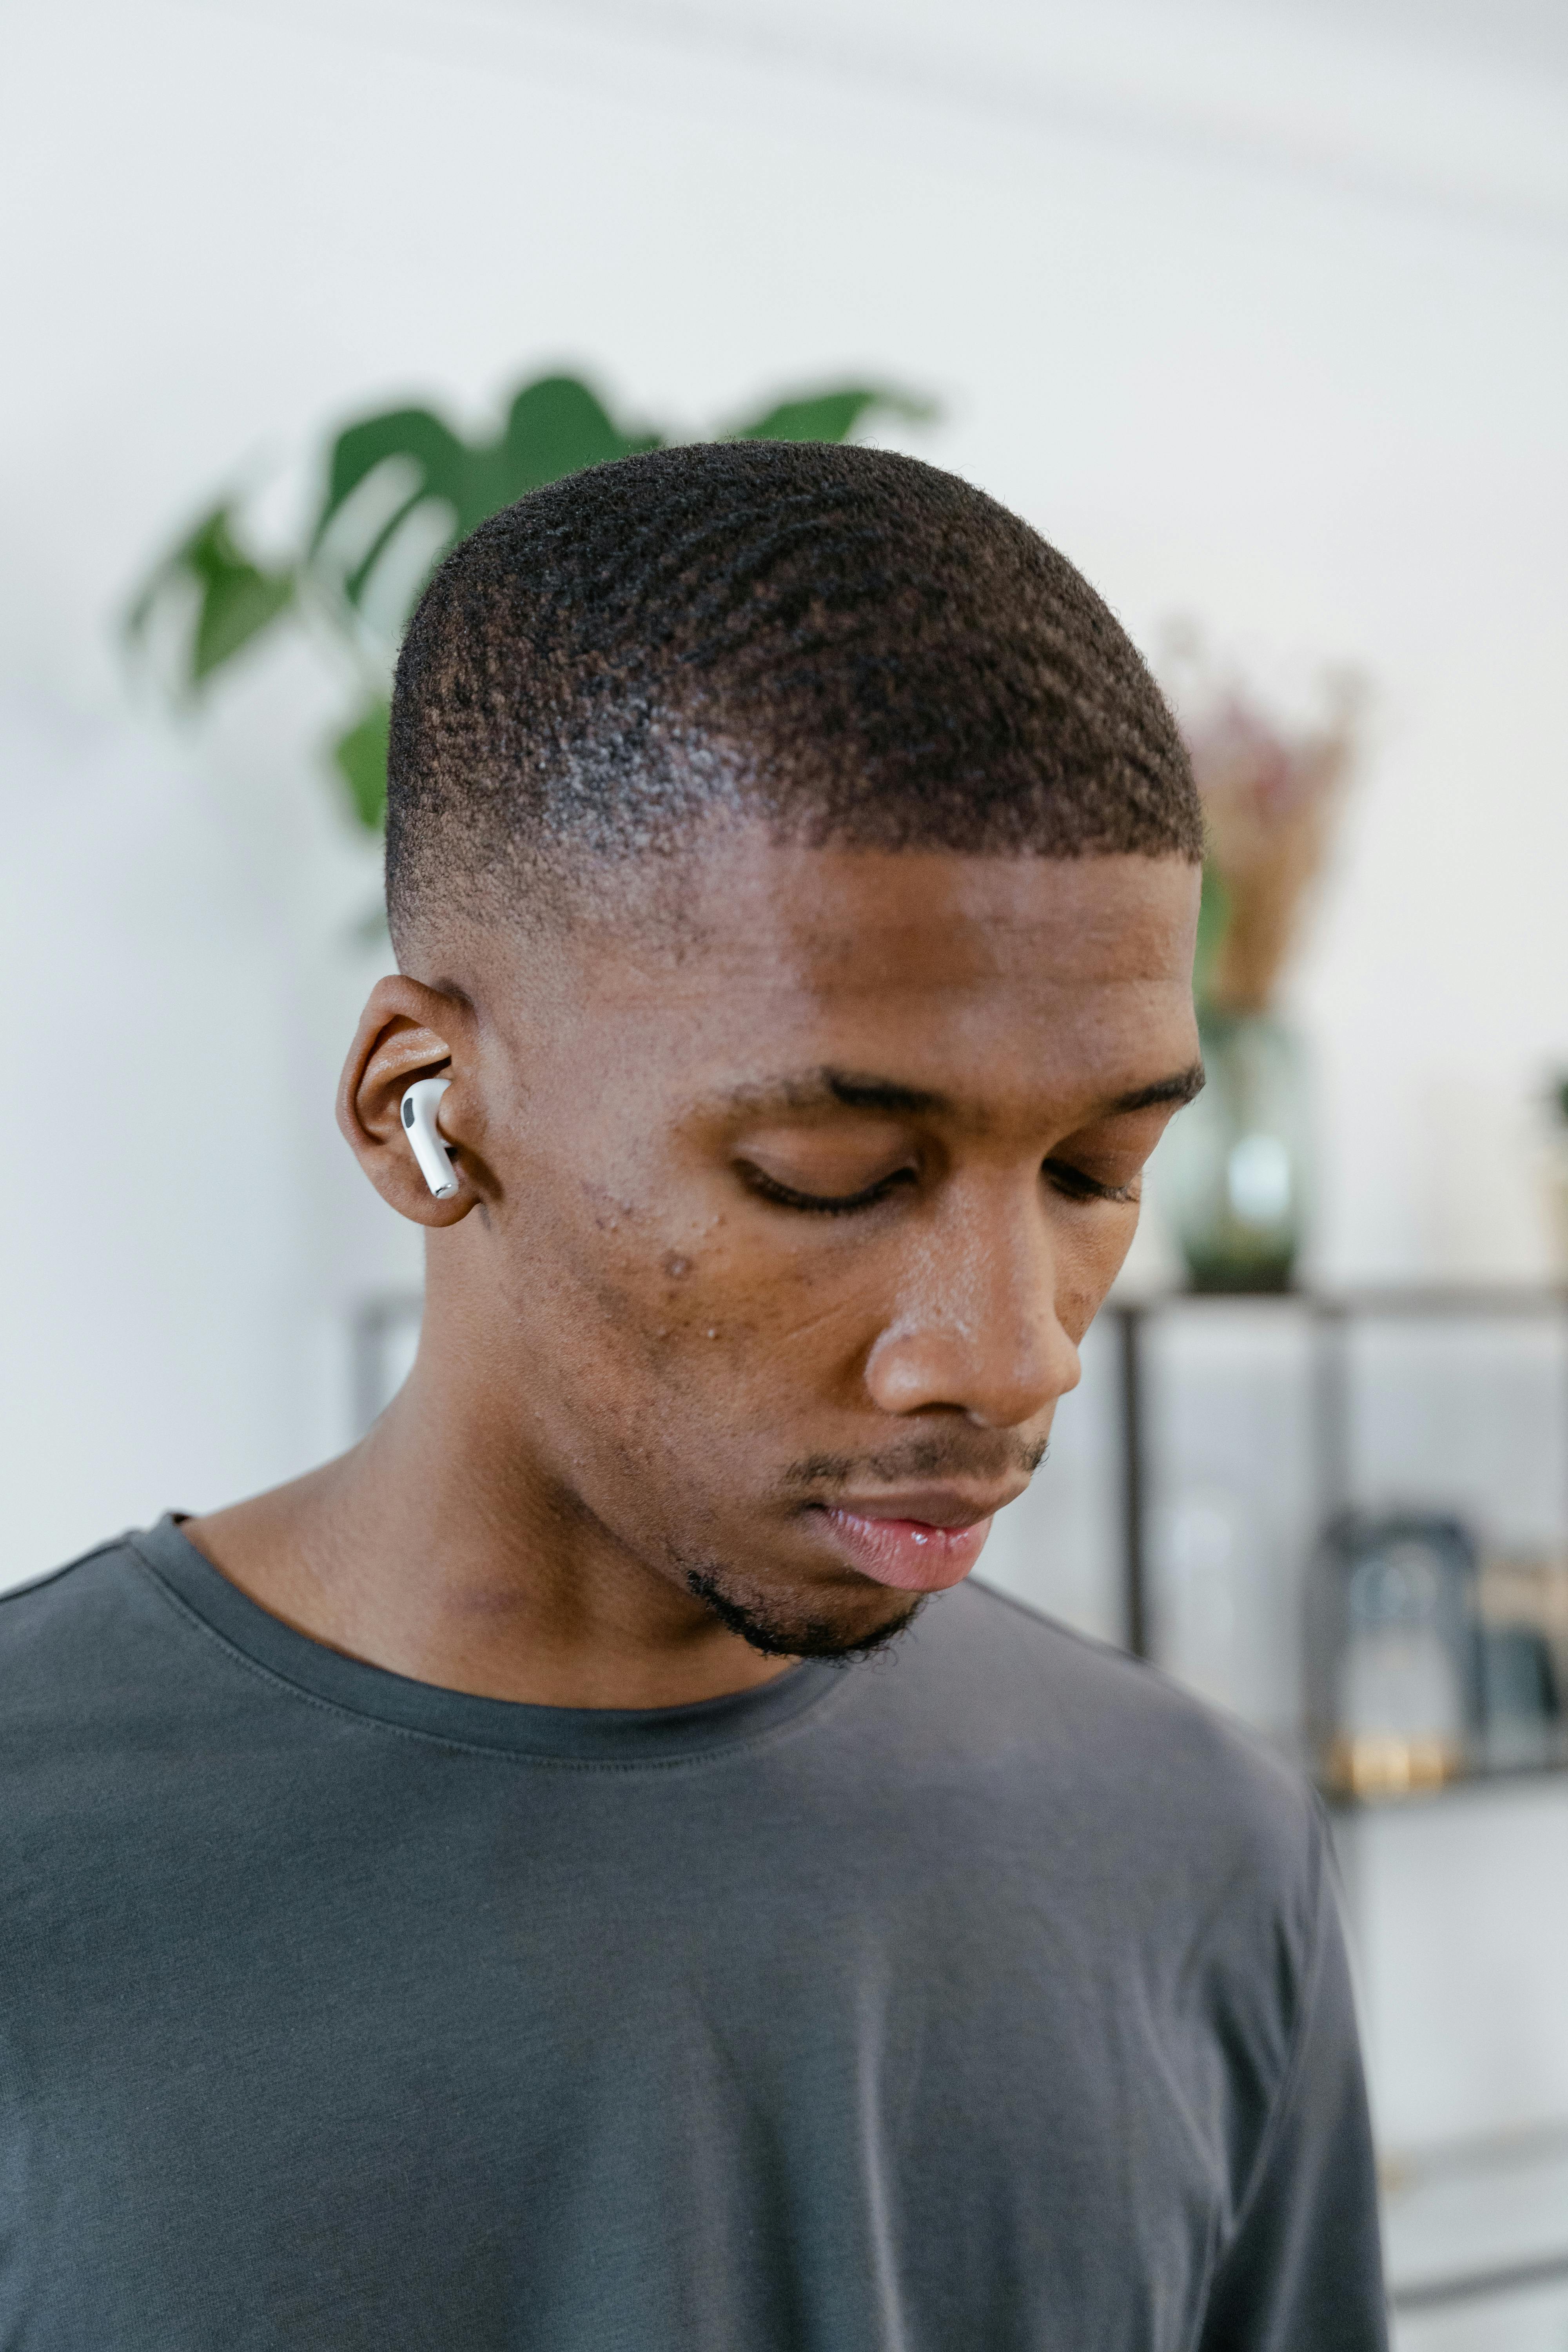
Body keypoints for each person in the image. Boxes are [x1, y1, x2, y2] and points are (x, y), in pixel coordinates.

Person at [0, 443, 1387, 2348]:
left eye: (1093, 1172)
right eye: (833, 1175)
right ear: (426, 1112)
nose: (1012, 1352)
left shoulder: (1200, 1851)